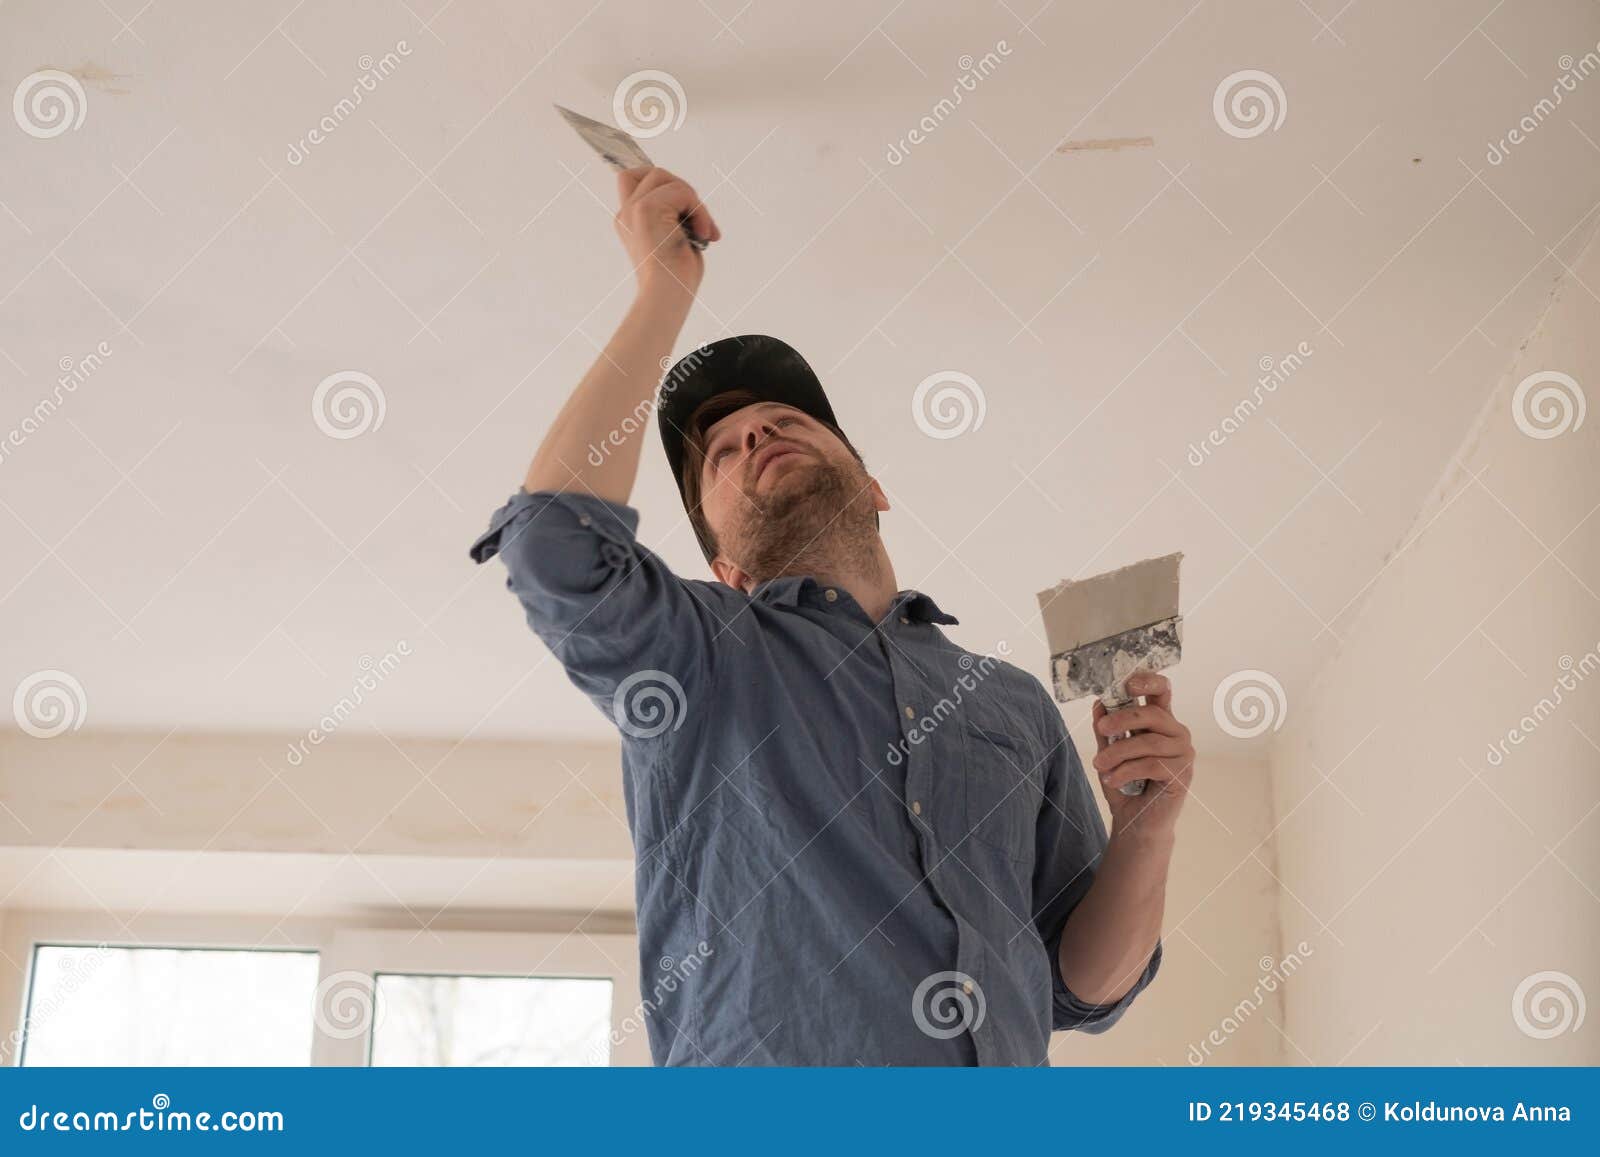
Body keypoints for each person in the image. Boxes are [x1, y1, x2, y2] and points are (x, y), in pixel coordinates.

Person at [470, 165, 1193, 1065]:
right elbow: (554, 547)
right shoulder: (699, 653)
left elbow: (1083, 988)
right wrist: (666, 289)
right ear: (722, 565)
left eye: (780, 420)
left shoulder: (1010, 704)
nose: (756, 434)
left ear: (875, 485)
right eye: (723, 454)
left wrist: (1147, 825)